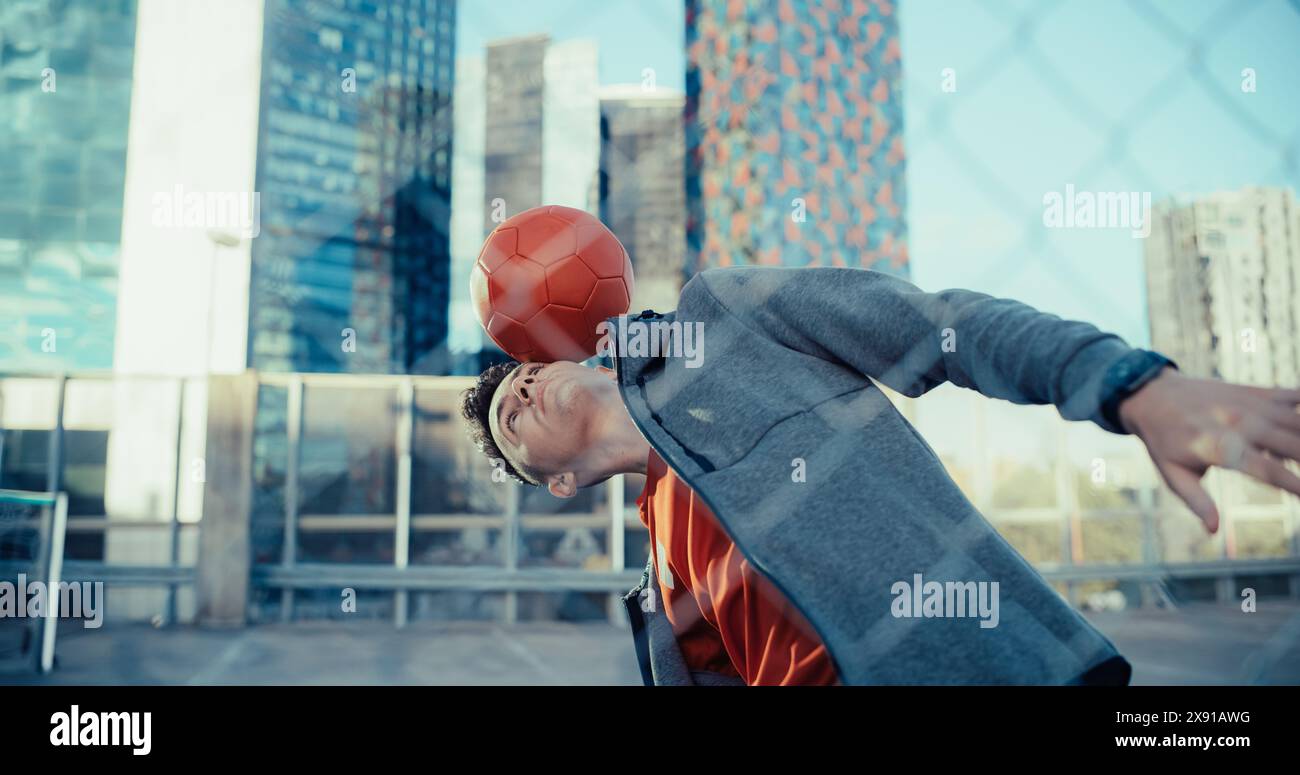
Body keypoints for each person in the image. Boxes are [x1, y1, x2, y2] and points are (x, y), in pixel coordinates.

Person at [459, 266, 1300, 686]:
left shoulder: (719, 321)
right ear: (553, 483)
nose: (519, 387)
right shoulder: (660, 603)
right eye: (506, 416)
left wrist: (1130, 384)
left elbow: (941, 326)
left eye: (522, 370)